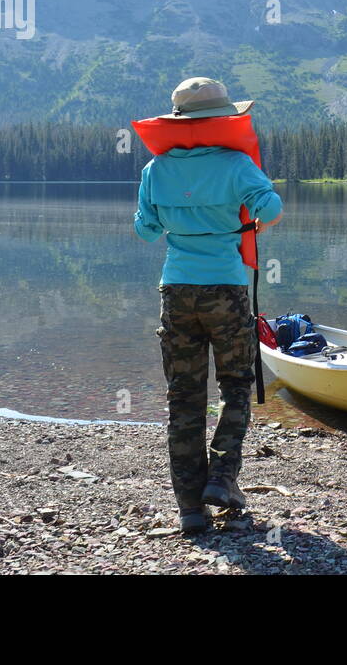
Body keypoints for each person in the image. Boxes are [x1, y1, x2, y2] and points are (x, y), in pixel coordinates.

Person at [133, 77, 283, 535]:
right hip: (227, 287)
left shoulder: (155, 170)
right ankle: (221, 478)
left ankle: (189, 509)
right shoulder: (236, 163)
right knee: (237, 383)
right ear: (223, 120)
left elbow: (145, 231)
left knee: (184, 395)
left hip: (177, 291)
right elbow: (271, 207)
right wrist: (246, 217)